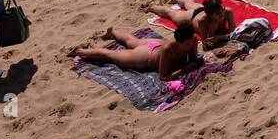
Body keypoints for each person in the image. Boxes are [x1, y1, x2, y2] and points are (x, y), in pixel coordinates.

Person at [70, 23, 202, 81]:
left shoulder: (193, 39)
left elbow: (192, 60)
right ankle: (80, 50)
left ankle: (112, 32)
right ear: (178, 41)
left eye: (191, 41)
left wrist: (192, 63)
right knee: (109, 55)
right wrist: (184, 70)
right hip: (147, 56)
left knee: (130, 40)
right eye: (187, 43)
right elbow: (163, 77)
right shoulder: (169, 50)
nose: (191, 44)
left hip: (157, 44)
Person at [145, 0, 236, 51]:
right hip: (192, 17)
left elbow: (234, 32)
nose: (222, 14)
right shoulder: (203, 22)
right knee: (171, 13)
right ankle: (152, 7)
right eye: (218, 13)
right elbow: (206, 44)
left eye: (222, 9)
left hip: (201, 9)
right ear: (210, 15)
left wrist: (219, 37)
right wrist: (215, 34)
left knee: (188, 2)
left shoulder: (227, 12)